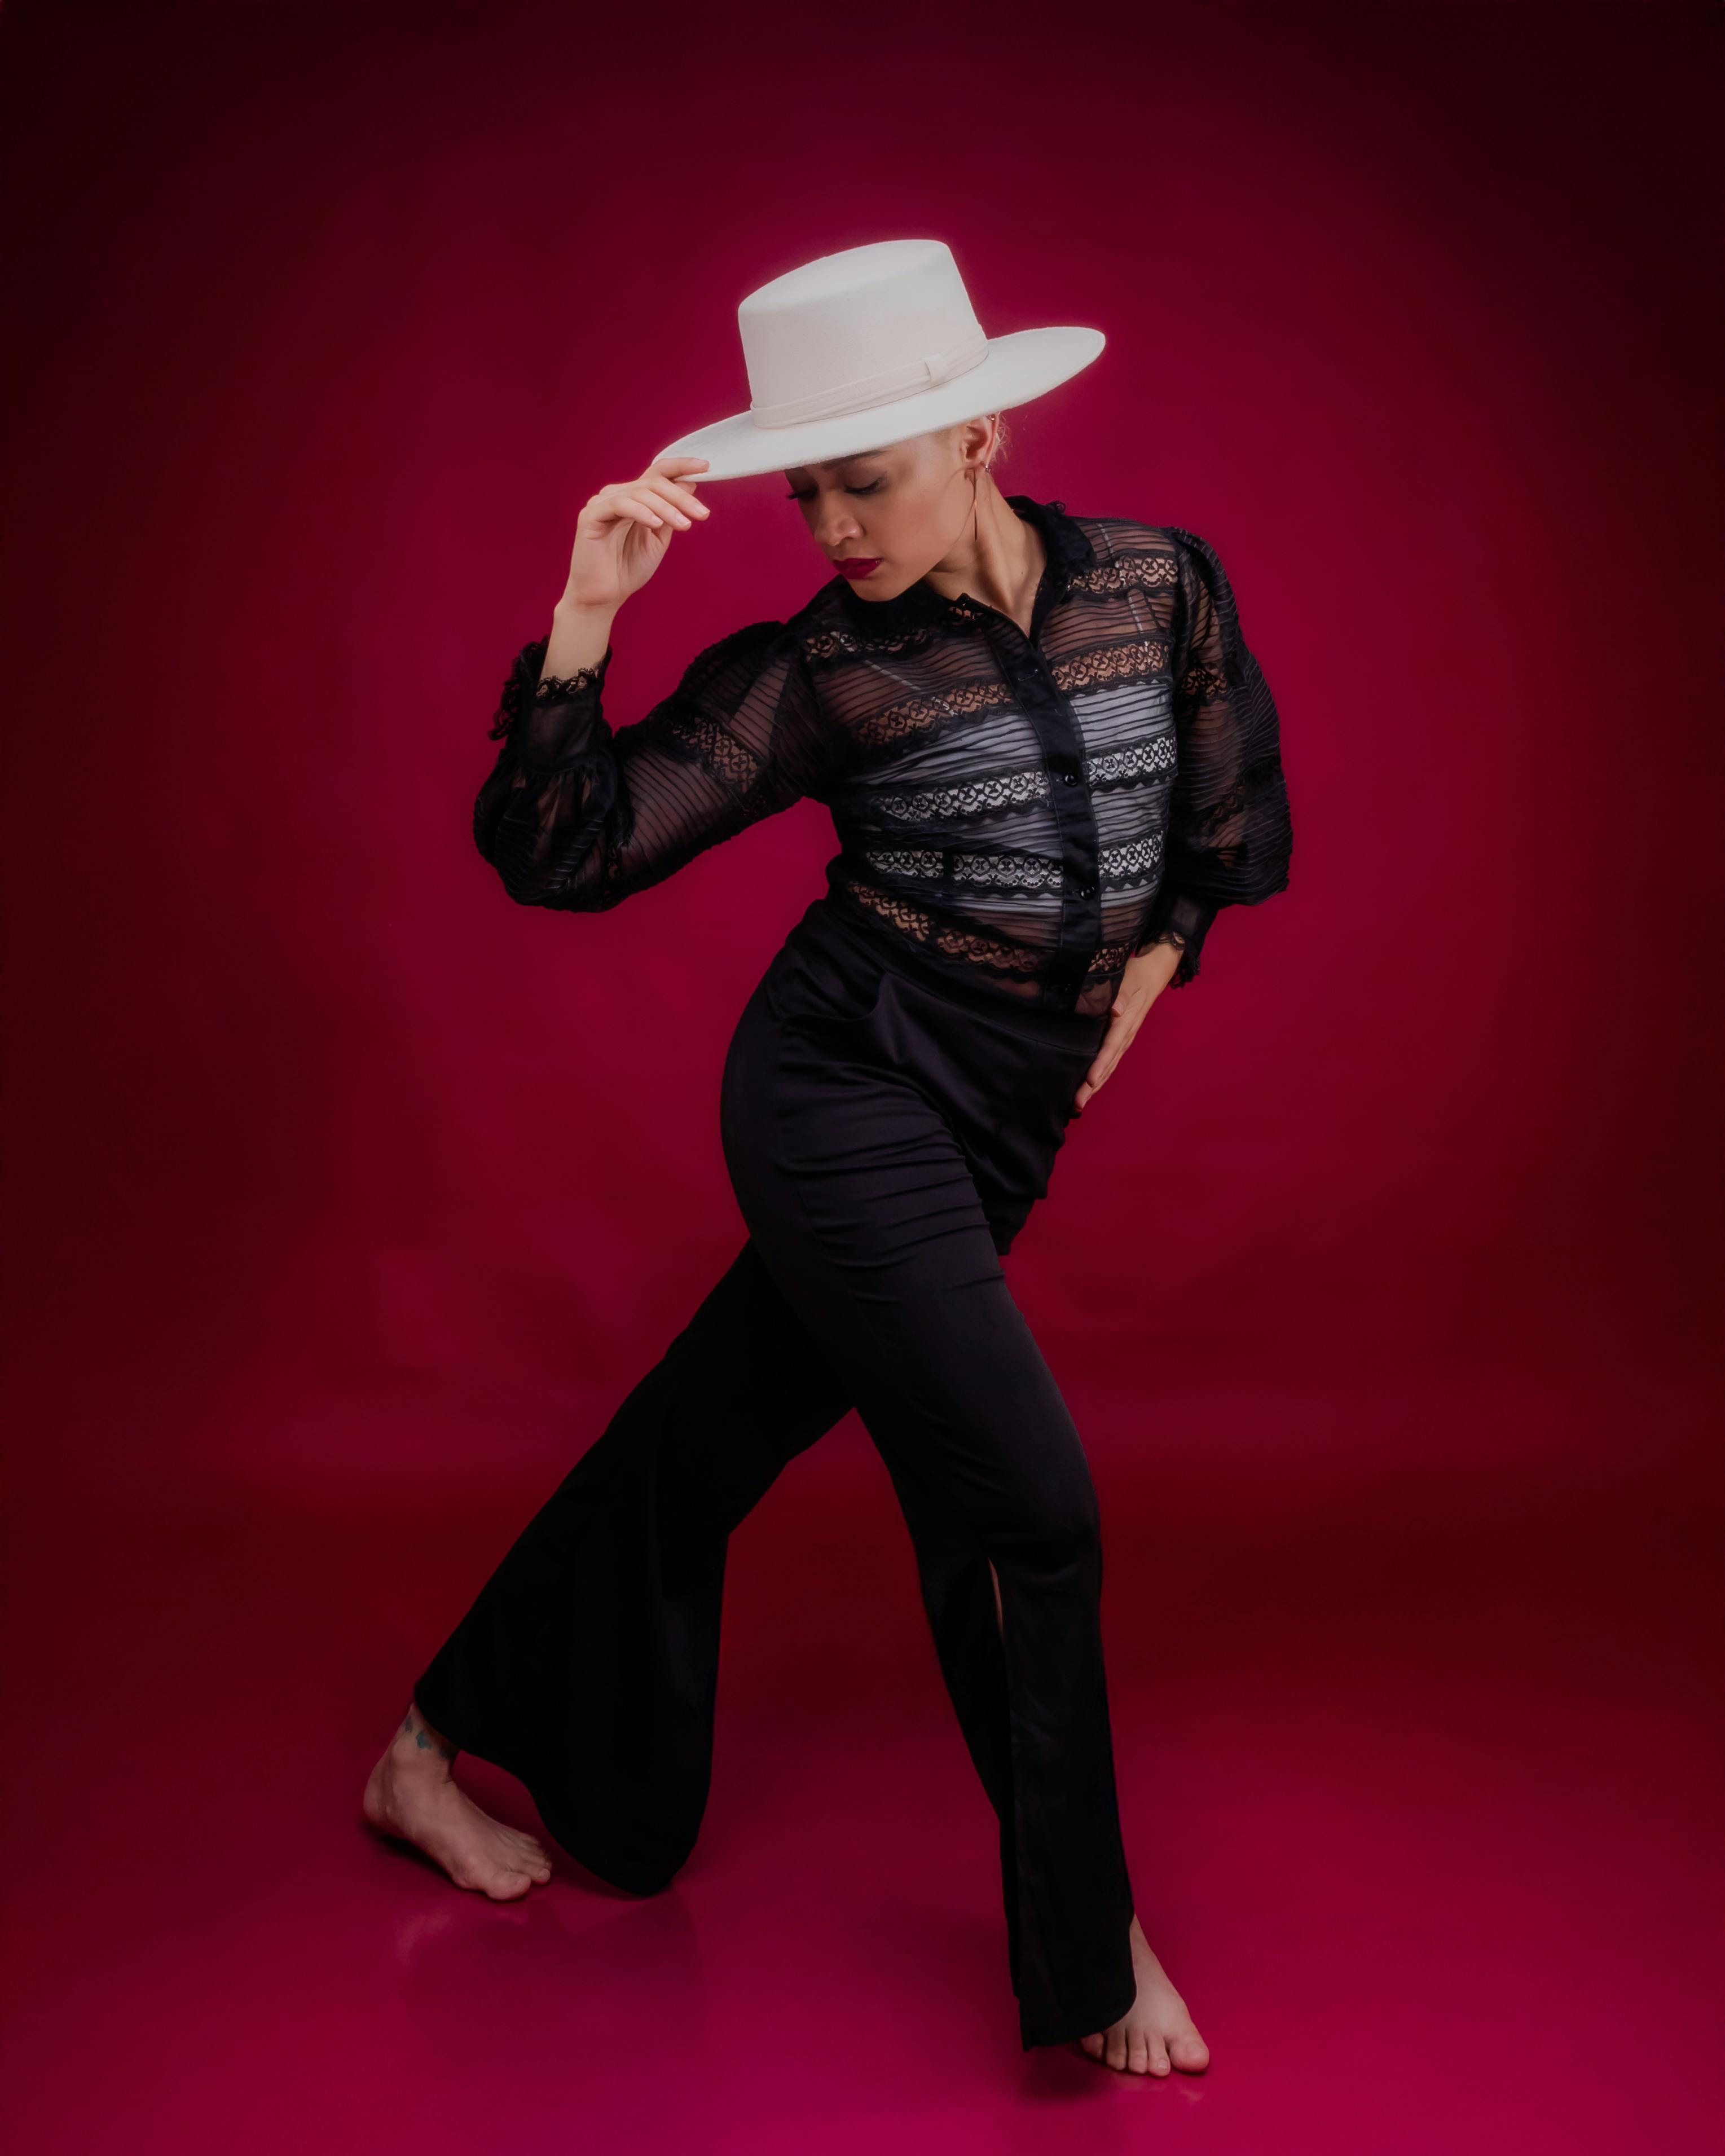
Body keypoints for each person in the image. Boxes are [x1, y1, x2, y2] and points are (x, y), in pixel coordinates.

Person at [362, 241, 1292, 2076]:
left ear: (980, 434)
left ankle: (418, 1747)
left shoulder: (1157, 587)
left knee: (703, 1431)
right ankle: (1089, 1948)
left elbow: (1216, 834)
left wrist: (1126, 1007)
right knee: (1025, 1506)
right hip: (840, 1087)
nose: (827, 523)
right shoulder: (821, 670)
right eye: (804, 488)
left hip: (1004, 1110)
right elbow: (569, 852)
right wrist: (582, 621)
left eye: (861, 478)